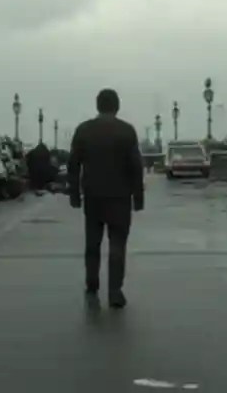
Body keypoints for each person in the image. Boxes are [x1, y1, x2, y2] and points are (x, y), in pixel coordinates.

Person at [68, 88, 144, 309]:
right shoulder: (126, 131)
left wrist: (74, 194)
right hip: (120, 197)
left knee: (93, 243)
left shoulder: (84, 130)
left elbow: (73, 164)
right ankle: (115, 291)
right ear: (117, 106)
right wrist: (138, 197)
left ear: (98, 105)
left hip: (93, 196)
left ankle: (92, 285)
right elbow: (136, 166)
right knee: (117, 244)